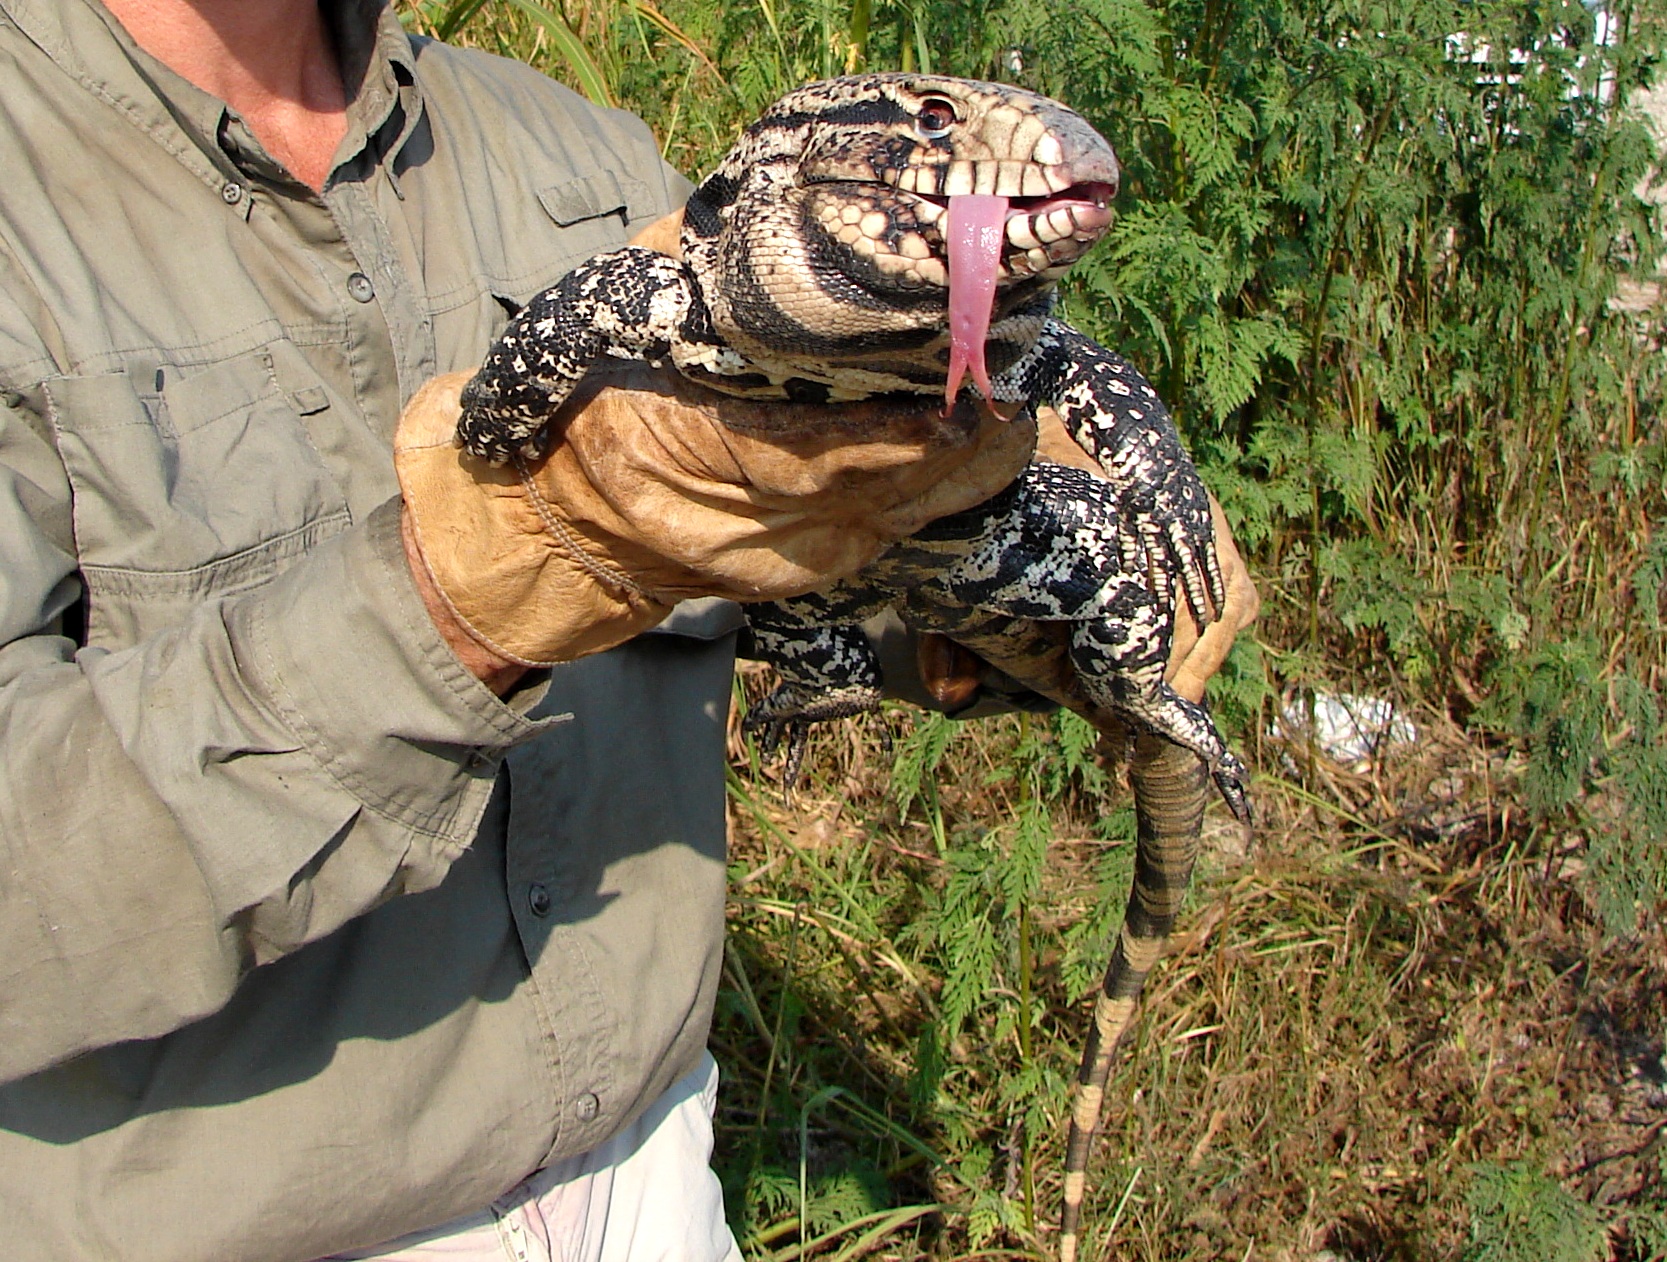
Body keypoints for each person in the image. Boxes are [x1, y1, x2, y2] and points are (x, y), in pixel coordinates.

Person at [0, 2, 1256, 1259]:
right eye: (932, 128)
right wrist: (474, 582)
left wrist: (1006, 618)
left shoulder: (576, 152)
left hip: (650, 1169)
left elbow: (769, 544)